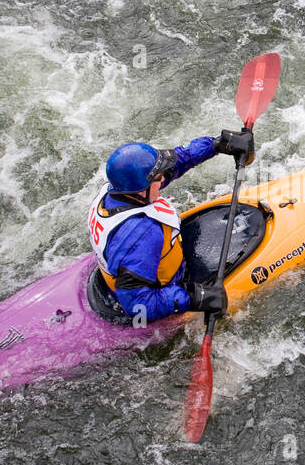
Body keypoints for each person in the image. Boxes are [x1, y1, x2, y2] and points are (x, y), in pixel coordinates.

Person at [87, 129, 255, 323]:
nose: (163, 178)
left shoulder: (115, 192)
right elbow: (137, 306)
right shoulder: (143, 234)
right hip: (158, 290)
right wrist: (193, 298)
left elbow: (177, 160)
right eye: (157, 178)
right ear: (140, 191)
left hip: (129, 272)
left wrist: (217, 144)